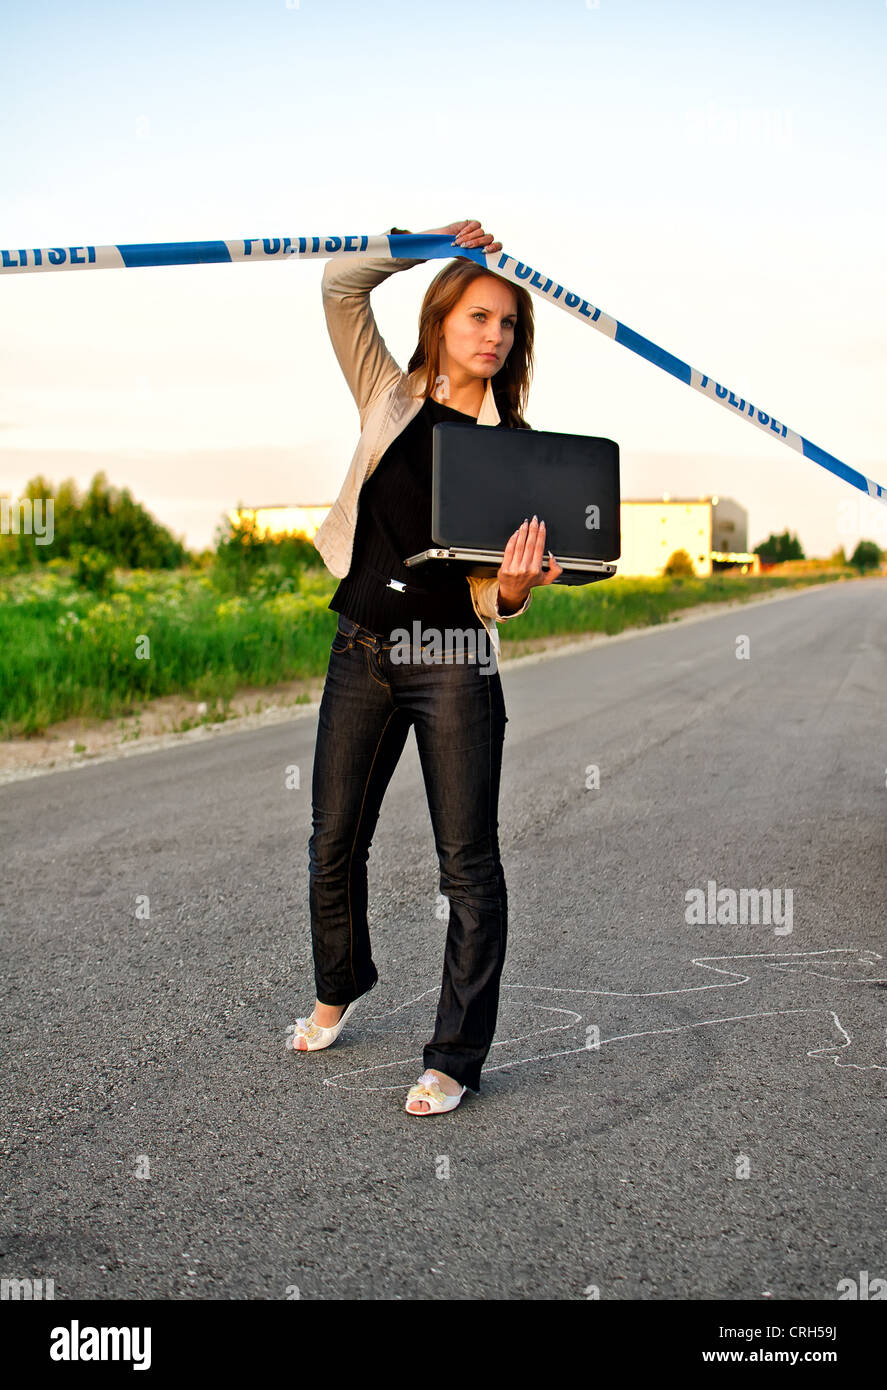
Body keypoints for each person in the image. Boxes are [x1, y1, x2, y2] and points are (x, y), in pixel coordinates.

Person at [286, 219, 563, 1115]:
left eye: (508, 326)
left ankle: (453, 1056)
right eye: (478, 315)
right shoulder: (386, 394)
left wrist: (517, 592)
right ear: (442, 316)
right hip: (361, 646)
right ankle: (341, 983)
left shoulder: (512, 446)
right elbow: (339, 286)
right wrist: (423, 241)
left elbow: (494, 595)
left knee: (467, 866)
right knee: (334, 842)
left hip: (451, 660)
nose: (493, 335)